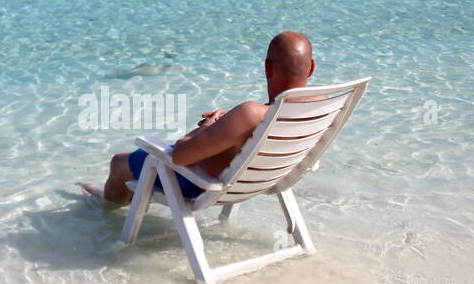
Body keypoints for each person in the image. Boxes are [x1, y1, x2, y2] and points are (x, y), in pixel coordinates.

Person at [83, 31, 315, 205]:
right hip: (263, 180)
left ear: (267, 68)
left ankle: (107, 214)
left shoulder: (251, 113)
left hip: (202, 186)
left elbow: (181, 157)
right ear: (311, 68)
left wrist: (206, 126)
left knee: (120, 162)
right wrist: (227, 125)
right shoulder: (318, 108)